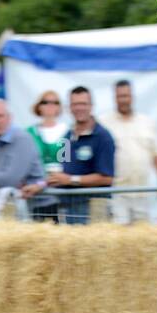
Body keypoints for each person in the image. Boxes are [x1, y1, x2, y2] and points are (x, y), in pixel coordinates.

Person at [40, 86, 114, 223]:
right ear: (69, 108)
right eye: (75, 104)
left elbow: (107, 178)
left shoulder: (103, 136)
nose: (79, 108)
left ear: (91, 107)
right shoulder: (66, 137)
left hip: (94, 213)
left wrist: (71, 180)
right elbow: (61, 171)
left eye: (83, 104)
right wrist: (40, 184)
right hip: (68, 210)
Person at [100, 79, 157, 223]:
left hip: (142, 193)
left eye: (126, 96)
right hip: (117, 194)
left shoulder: (147, 122)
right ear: (114, 98)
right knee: (119, 239)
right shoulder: (103, 123)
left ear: (132, 97)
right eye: (120, 96)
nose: (124, 100)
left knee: (142, 239)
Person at [26, 89, 68, 176]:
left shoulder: (68, 131)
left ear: (59, 107)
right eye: (45, 102)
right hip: (37, 180)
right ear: (39, 106)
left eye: (55, 102)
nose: (50, 105)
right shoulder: (29, 133)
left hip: (63, 181)